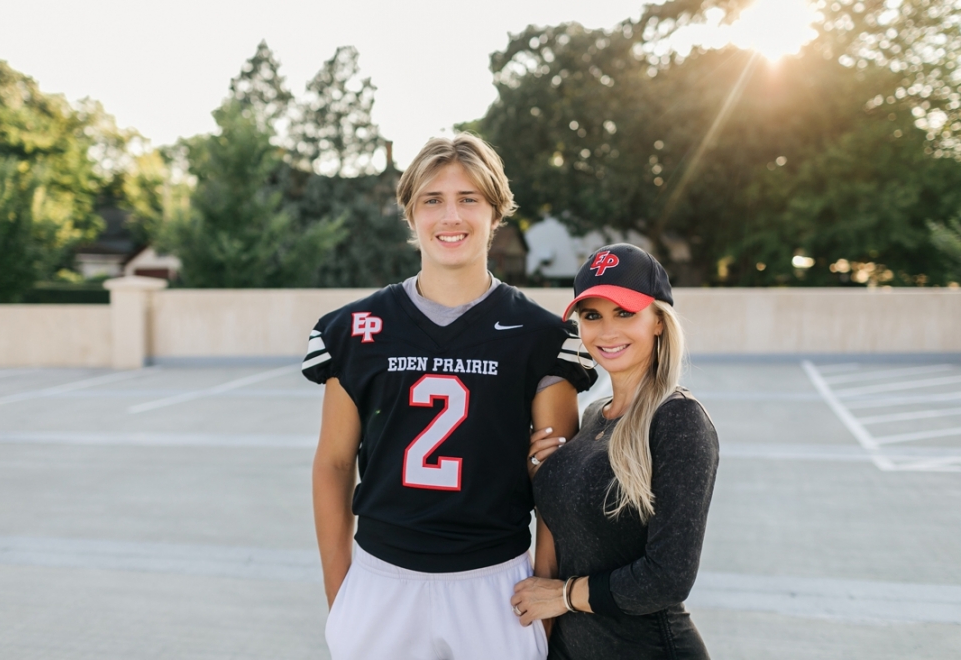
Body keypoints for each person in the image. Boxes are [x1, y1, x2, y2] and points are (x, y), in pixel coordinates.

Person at [302, 133, 596, 660]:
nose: (450, 216)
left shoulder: (541, 336)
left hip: (496, 583)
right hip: (381, 578)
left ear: (495, 211)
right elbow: (335, 463)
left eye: (469, 199)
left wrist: (548, 589)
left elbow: (556, 484)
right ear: (410, 213)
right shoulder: (356, 329)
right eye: (432, 200)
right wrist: (340, 592)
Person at [511, 243, 719, 659]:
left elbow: (668, 577)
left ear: (658, 321)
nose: (607, 332)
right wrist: (542, 476)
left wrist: (564, 596)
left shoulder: (677, 419)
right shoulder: (594, 416)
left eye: (624, 313)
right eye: (592, 316)